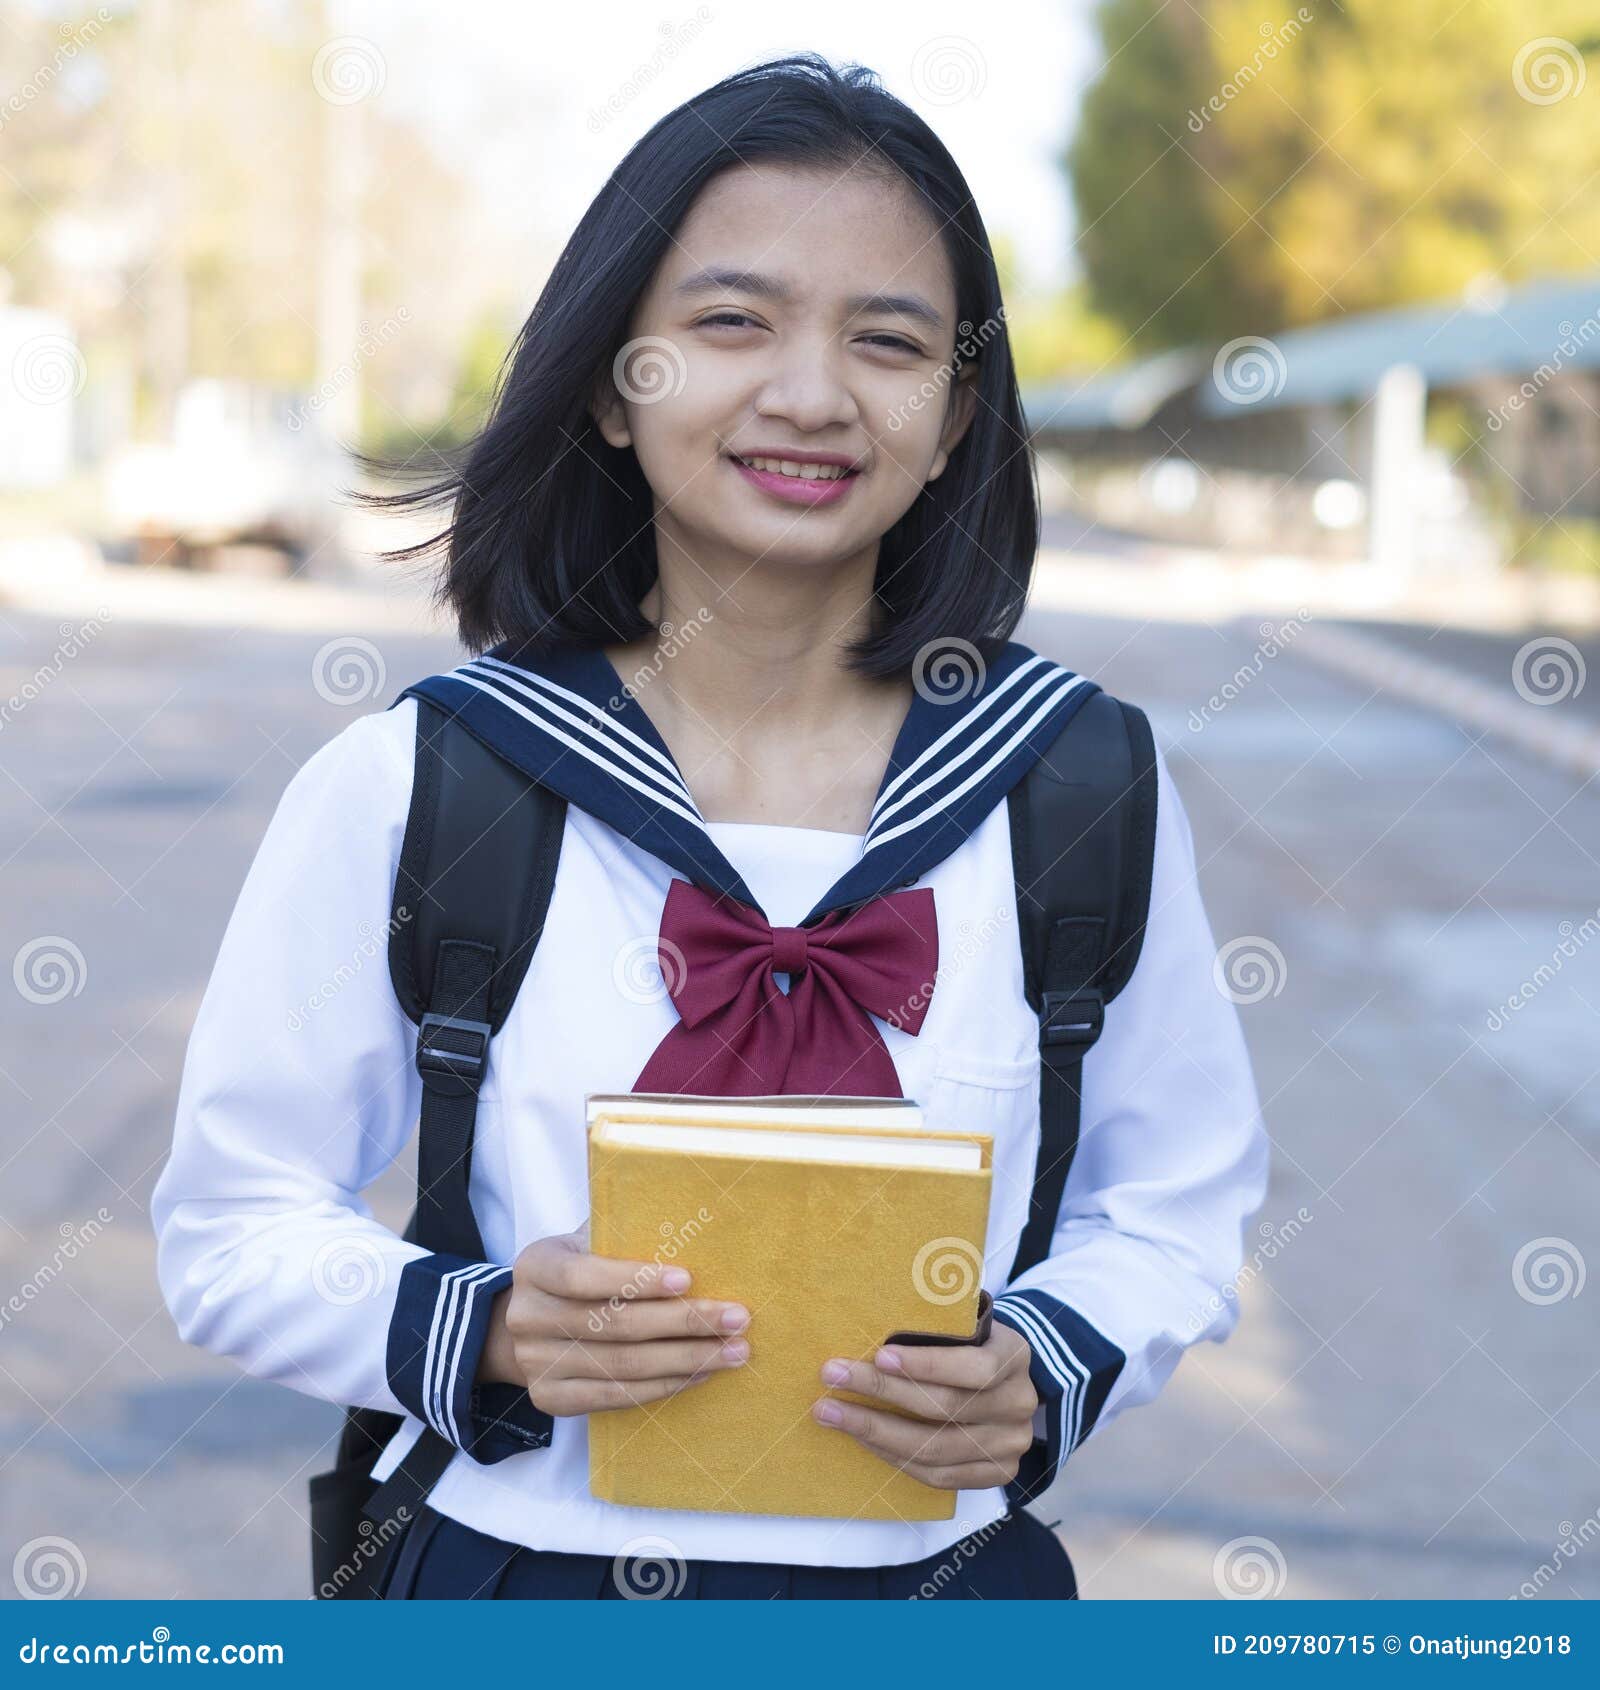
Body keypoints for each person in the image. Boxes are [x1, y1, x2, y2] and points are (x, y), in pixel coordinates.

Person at [151, 52, 1268, 1600]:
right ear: (615, 383)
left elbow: (1177, 1204)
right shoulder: (422, 782)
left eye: (890, 340)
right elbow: (231, 1216)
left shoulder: (1074, 787)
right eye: (733, 322)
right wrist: (479, 1326)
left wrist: (1049, 1357)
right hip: (515, 1588)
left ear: (956, 414)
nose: (810, 395)